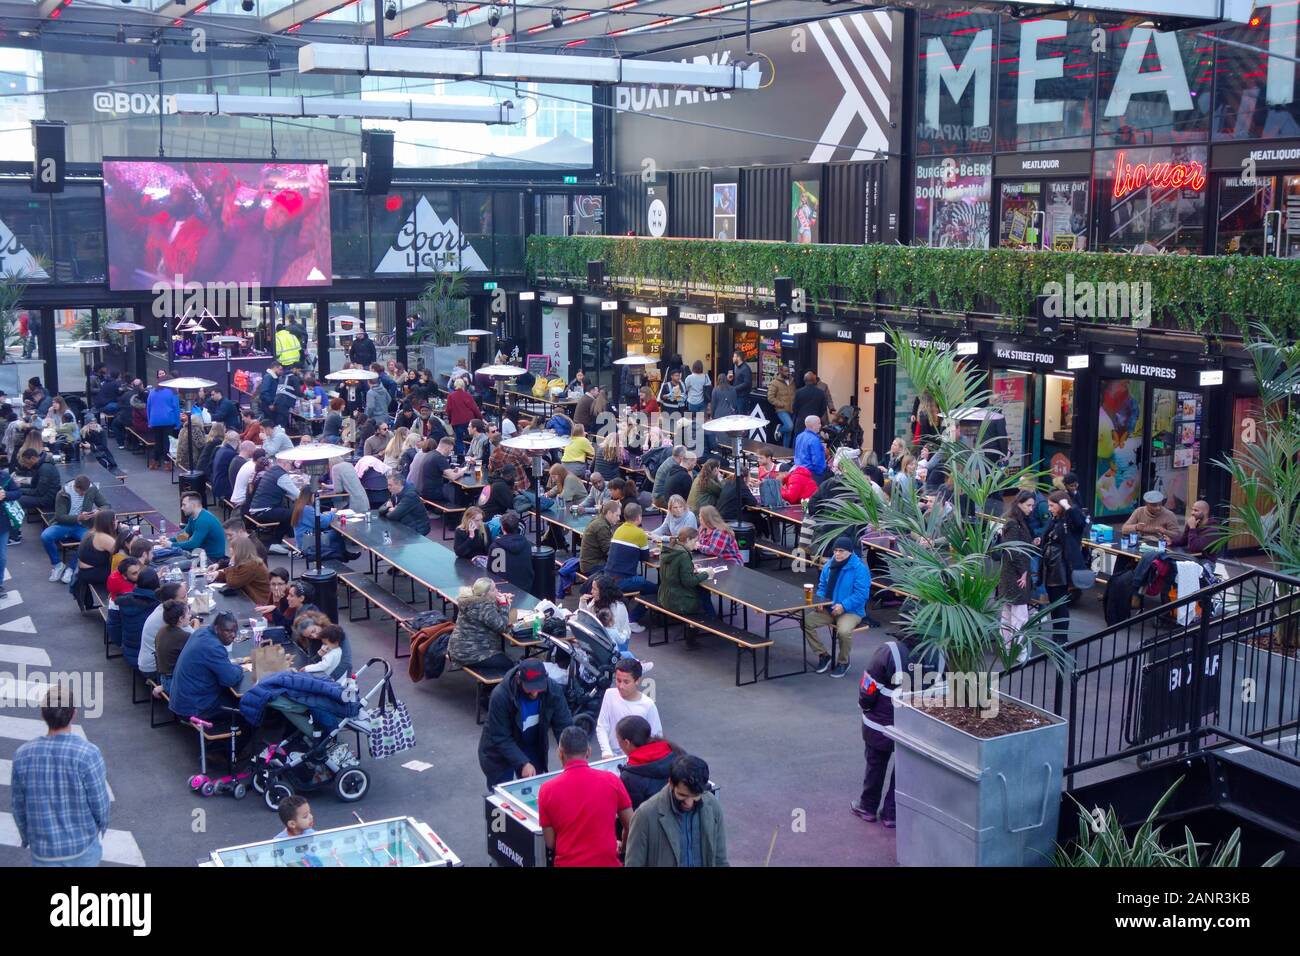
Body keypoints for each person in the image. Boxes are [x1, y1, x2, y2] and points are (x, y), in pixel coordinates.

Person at [10, 683, 111, 867]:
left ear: (42, 714)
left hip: (44, 851)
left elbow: (18, 806)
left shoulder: (22, 755)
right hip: (82, 846)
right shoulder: (87, 753)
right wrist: (101, 826)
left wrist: (26, 837)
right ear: (74, 713)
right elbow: (99, 801)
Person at [538, 725, 634, 868]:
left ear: (560, 754)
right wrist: (622, 845)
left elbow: (550, 842)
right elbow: (631, 825)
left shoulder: (546, 790)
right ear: (588, 751)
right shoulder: (611, 780)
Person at [478, 659, 575, 788]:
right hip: (499, 751)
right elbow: (501, 737)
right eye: (530, 688)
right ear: (519, 680)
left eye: (538, 687)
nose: (534, 693)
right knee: (502, 795)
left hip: (530, 744)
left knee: (534, 788)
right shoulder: (500, 696)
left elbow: (563, 724)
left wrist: (570, 754)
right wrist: (523, 763)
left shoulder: (553, 690)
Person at [624, 754, 727, 867]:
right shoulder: (645, 816)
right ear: (671, 783)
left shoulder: (712, 806)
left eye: (695, 796)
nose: (689, 803)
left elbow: (720, 859)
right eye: (682, 795)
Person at [803, 536, 871, 678]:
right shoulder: (829, 565)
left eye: (841, 551)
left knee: (844, 631)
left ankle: (843, 662)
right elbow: (822, 586)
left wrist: (844, 606)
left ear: (850, 552)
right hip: (829, 608)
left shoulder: (859, 569)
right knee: (806, 622)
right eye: (835, 551)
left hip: (851, 611)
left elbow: (861, 595)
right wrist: (821, 600)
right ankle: (823, 655)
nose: (837, 554)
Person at [168, 612, 245, 721]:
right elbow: (230, 679)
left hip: (181, 701)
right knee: (247, 705)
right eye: (228, 631)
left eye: (235, 631)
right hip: (195, 708)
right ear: (217, 628)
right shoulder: (213, 646)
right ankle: (245, 736)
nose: (233, 635)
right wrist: (240, 668)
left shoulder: (200, 632)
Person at [42, 475, 108, 584]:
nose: (83, 494)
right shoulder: (63, 493)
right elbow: (60, 516)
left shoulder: (91, 489)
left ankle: (71, 568)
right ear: (75, 487)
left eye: (85, 492)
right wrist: (78, 517)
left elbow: (106, 505)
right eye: (81, 492)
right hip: (64, 524)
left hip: (83, 525)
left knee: (88, 542)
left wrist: (99, 511)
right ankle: (57, 565)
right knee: (45, 536)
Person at [1041, 489, 1086, 643]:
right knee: (1054, 603)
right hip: (1050, 565)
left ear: (1061, 505)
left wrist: (1068, 506)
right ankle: (1057, 634)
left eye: (1052, 505)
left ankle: (1061, 637)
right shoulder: (1055, 519)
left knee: (1060, 604)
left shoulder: (1070, 521)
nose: (1049, 509)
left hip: (1061, 567)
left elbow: (1081, 522)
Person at [998, 491, 1037, 663]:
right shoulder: (1015, 523)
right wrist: (1023, 572)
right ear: (1019, 504)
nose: (1031, 509)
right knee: (1019, 615)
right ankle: (1017, 651)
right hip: (1016, 575)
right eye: (1028, 505)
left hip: (1010, 574)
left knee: (1008, 613)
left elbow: (1013, 548)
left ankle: (1008, 649)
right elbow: (1014, 550)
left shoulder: (1014, 522)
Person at [595, 658, 661, 758]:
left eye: (626, 682)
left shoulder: (648, 705)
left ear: (637, 681)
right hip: (612, 755)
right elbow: (602, 726)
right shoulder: (609, 695)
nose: (621, 686)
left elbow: (656, 737)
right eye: (618, 680)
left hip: (637, 760)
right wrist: (607, 752)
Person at [616, 716, 684, 810]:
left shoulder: (629, 776)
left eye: (618, 741)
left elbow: (633, 811)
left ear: (626, 742)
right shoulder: (673, 751)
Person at [449, 577, 515, 671]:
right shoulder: (484, 607)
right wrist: (504, 604)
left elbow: (488, 617)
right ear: (486, 593)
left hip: (457, 649)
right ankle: (489, 685)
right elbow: (502, 627)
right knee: (508, 665)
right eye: (494, 590)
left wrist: (496, 601)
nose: (497, 591)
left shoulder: (470, 601)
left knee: (501, 659)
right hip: (471, 653)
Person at [657, 527, 718, 622]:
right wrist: (706, 573)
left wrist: (690, 567)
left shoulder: (671, 549)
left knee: (701, 592)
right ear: (688, 540)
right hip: (678, 602)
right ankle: (713, 623)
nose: (696, 544)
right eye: (695, 541)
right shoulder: (683, 555)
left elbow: (675, 570)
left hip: (664, 597)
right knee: (704, 593)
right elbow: (688, 582)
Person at [73, 509, 118, 609]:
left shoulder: (93, 532)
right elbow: (120, 551)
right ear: (109, 523)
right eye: (115, 520)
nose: (117, 522)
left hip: (84, 571)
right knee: (124, 570)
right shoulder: (103, 537)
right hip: (93, 573)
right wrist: (124, 531)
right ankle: (118, 599)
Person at [210, 535, 273, 605]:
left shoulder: (252, 565)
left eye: (232, 547)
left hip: (257, 603)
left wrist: (231, 564)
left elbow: (233, 582)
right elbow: (234, 573)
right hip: (248, 597)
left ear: (239, 550)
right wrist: (218, 574)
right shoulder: (246, 561)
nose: (230, 549)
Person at [170, 492, 228, 562]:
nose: (182, 508)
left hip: (212, 559)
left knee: (173, 563)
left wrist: (171, 545)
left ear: (193, 505)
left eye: (184, 505)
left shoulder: (203, 521)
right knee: (172, 558)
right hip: (201, 554)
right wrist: (168, 541)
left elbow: (193, 544)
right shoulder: (193, 517)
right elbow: (185, 535)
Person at [488, 510, 534, 593]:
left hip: (504, 588)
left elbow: (492, 571)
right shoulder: (526, 544)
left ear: (502, 528)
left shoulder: (496, 546)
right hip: (526, 586)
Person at [154, 599, 194, 693]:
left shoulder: (162, 630)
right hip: (176, 683)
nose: (190, 616)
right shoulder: (184, 636)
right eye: (188, 614)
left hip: (164, 679)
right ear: (180, 618)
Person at [380, 470, 431, 536]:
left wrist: (388, 509)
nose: (388, 488)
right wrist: (389, 508)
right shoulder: (395, 494)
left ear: (398, 484)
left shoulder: (410, 496)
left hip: (416, 529)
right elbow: (380, 509)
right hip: (406, 524)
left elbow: (393, 516)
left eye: (390, 485)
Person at [579, 499, 621, 575]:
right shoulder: (602, 527)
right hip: (593, 566)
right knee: (622, 571)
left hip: (588, 563)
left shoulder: (599, 520)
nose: (619, 518)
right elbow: (609, 551)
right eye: (617, 515)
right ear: (609, 513)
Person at [146, 379, 180, 470]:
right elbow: (176, 408)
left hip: (155, 420)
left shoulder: (152, 392)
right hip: (168, 420)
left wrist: (149, 421)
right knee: (167, 442)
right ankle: (167, 463)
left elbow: (148, 407)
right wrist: (178, 423)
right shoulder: (173, 392)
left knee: (158, 442)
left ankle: (154, 462)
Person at [16, 447, 59, 513]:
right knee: (16, 494)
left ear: (33, 458)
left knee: (17, 499)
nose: (26, 465)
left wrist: (20, 490)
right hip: (44, 496)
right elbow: (34, 485)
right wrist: (20, 486)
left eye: (26, 462)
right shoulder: (41, 465)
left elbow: (39, 492)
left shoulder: (45, 468)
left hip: (47, 499)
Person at [446, 379, 481, 455]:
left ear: (455, 386)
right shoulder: (467, 395)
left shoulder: (451, 396)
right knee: (470, 438)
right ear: (463, 386)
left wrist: (450, 419)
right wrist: (480, 418)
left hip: (457, 421)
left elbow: (448, 409)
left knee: (459, 439)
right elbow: (474, 408)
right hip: (468, 421)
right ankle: (470, 454)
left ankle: (460, 456)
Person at [791, 372, 828, 440]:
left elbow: (794, 408)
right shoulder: (821, 393)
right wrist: (816, 416)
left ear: (804, 380)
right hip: (814, 423)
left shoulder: (799, 392)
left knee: (799, 442)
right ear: (815, 380)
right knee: (812, 442)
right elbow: (823, 408)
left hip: (801, 422)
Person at [767, 365, 796, 446]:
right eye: (785, 371)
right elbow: (770, 397)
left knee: (789, 432)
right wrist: (781, 404)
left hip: (792, 409)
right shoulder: (774, 383)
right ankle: (779, 429)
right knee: (789, 426)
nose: (787, 373)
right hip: (781, 409)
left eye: (788, 371)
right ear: (780, 371)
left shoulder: (792, 381)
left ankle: (785, 450)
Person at [794, 415, 827, 482]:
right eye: (819, 423)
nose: (820, 425)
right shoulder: (814, 440)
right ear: (813, 425)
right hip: (812, 473)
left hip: (798, 470)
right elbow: (816, 461)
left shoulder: (799, 436)